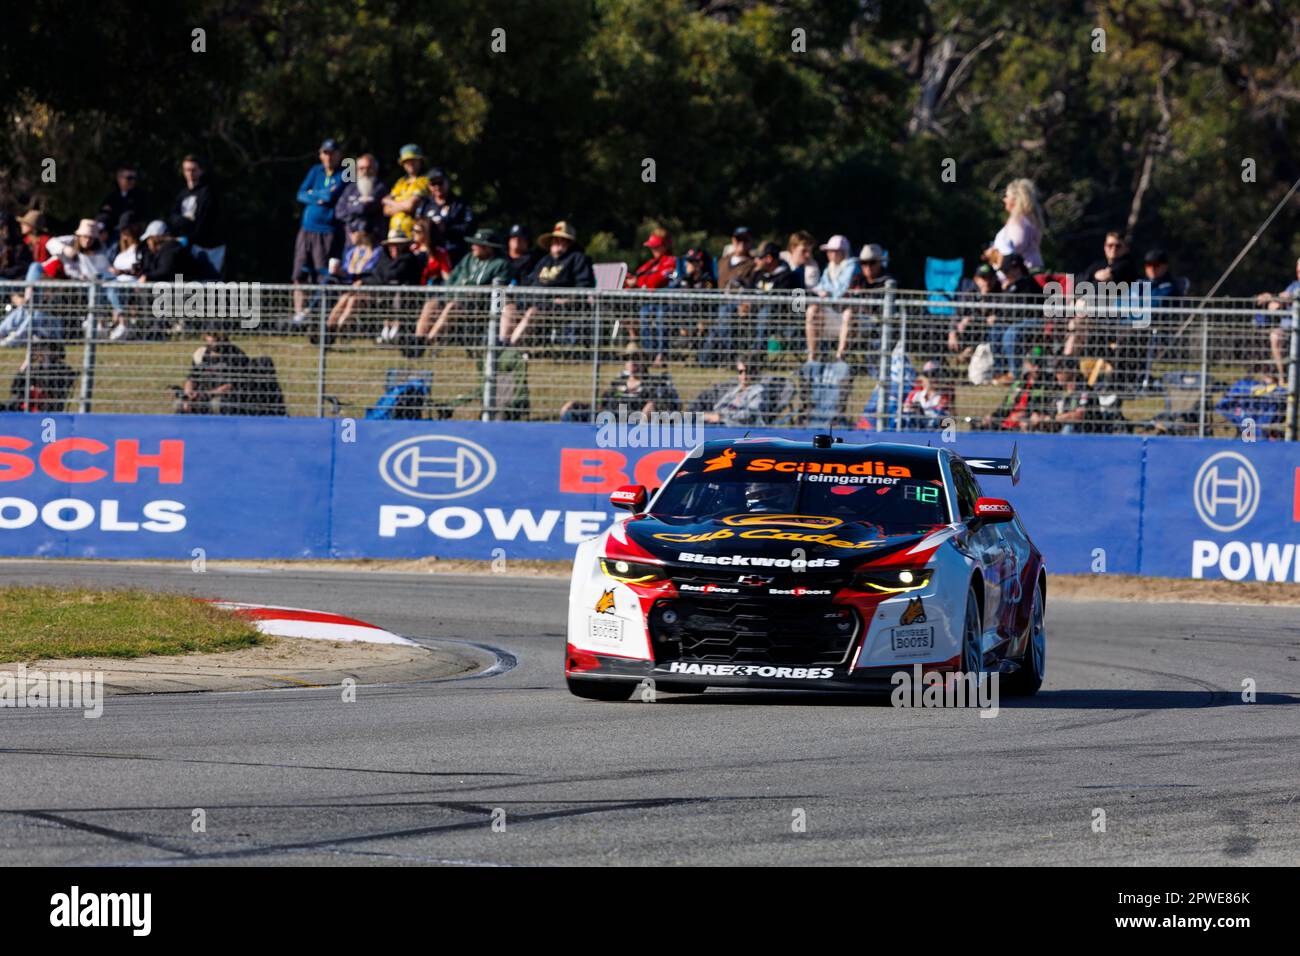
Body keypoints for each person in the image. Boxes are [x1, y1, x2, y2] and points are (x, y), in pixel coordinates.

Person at [498, 221, 595, 347]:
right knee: (508, 308)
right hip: (533, 301)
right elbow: (529, 282)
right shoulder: (545, 260)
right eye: (555, 240)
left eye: (562, 240)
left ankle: (509, 349)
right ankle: (500, 346)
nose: (557, 243)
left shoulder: (578, 259)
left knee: (533, 312)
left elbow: (585, 286)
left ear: (569, 243)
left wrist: (568, 299)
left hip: (561, 305)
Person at [413, 227, 509, 352]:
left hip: (477, 304)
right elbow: (451, 280)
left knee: (452, 306)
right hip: (453, 296)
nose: (473, 247)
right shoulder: (468, 259)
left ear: (488, 247)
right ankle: (417, 341)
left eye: (477, 244)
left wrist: (472, 290)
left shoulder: (500, 264)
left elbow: (499, 291)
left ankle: (428, 341)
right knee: (431, 304)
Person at [290, 138, 346, 324]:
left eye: (332, 153)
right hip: (306, 230)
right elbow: (300, 194)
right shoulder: (315, 171)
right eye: (325, 153)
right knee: (299, 274)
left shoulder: (345, 172)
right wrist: (318, 196)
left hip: (327, 232)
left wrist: (314, 194)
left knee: (322, 276)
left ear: (339, 155)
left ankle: (317, 317)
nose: (328, 157)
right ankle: (299, 316)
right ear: (320, 154)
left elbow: (331, 195)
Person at [804, 234, 860, 361]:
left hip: (849, 317)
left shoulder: (852, 266)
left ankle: (840, 358)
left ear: (843, 252)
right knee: (812, 310)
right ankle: (811, 358)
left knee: (848, 313)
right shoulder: (829, 268)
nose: (829, 254)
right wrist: (823, 291)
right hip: (831, 311)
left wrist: (826, 291)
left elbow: (841, 289)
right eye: (829, 251)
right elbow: (819, 287)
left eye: (833, 251)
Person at [625, 228, 677, 358]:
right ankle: (649, 353)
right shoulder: (650, 263)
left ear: (665, 246)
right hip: (649, 302)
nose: (653, 250)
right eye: (652, 247)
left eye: (657, 247)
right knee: (644, 315)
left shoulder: (671, 261)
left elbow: (658, 280)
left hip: (666, 303)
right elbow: (639, 275)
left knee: (660, 317)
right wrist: (636, 281)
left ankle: (661, 354)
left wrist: (639, 282)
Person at [993, 253, 1045, 383]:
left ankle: (1015, 374)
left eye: (1006, 271)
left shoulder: (1028, 284)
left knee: (1011, 334)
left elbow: (1022, 310)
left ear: (1016, 269)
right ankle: (1000, 372)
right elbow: (1004, 309)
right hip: (1014, 322)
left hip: (1034, 321)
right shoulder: (1009, 286)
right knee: (996, 331)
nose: (1004, 274)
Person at [367, 229, 424, 345]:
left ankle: (396, 328)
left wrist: (386, 278)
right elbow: (378, 275)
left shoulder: (409, 259)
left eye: (398, 245)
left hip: (407, 296)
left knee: (398, 296)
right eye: (391, 245)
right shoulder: (383, 259)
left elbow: (395, 274)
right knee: (381, 296)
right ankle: (385, 327)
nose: (394, 248)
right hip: (385, 294)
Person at [176, 329, 251, 414]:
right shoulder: (200, 353)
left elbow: (231, 385)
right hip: (202, 393)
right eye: (211, 334)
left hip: (223, 396)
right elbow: (191, 377)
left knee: (217, 404)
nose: (215, 338)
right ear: (205, 336)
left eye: (218, 334)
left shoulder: (236, 355)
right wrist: (188, 393)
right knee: (179, 404)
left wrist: (206, 395)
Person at [983, 178, 1044, 272]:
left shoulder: (1019, 221)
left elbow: (1015, 247)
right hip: (1030, 268)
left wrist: (993, 253)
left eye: (1007, 196)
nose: (1004, 199)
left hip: (1024, 272)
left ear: (1015, 200)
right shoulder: (1029, 219)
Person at [1254, 256, 1300, 379]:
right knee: (1270, 336)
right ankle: (1279, 376)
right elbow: (1275, 304)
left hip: (1296, 328)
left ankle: (1284, 377)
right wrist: (1270, 300)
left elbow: (1288, 297)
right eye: (1298, 271)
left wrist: (1274, 297)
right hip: (1287, 328)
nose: (1299, 274)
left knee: (1276, 337)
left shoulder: (1296, 289)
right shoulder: (1294, 285)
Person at [979, 351, 1049, 431]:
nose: (1037, 368)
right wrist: (993, 416)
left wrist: (1025, 415)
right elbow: (1006, 404)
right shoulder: (1019, 383)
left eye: (1039, 365)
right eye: (1033, 364)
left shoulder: (1045, 385)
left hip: (1027, 419)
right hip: (1010, 417)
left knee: (1024, 424)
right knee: (987, 422)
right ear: (1027, 364)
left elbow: (1042, 408)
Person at [417, 167, 474, 264]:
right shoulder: (425, 204)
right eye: (433, 184)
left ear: (447, 182)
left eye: (440, 183)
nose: (437, 187)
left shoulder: (460, 204)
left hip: (454, 253)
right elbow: (418, 225)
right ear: (429, 186)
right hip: (430, 254)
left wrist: (447, 228)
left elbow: (470, 227)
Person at [691, 354, 769, 426]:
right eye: (740, 372)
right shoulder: (736, 390)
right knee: (690, 418)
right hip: (723, 422)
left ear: (754, 372)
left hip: (737, 428)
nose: (744, 375)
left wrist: (722, 416)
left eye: (747, 371)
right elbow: (718, 406)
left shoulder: (758, 391)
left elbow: (748, 414)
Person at [168, 154, 223, 250]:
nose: (190, 173)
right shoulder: (182, 194)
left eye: (193, 170)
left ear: (200, 171)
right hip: (182, 241)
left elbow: (203, 222)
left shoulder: (207, 193)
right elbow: (173, 217)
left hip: (201, 246)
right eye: (187, 170)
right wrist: (185, 221)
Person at [4, 340, 76, 412]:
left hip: (46, 409)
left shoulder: (64, 370)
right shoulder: (36, 369)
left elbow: (54, 390)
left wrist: (47, 362)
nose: (39, 351)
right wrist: (26, 363)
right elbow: (15, 389)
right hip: (25, 406)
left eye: (44, 349)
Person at [948, 263, 1000, 361]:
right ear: (976, 279)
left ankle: (970, 351)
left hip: (989, 331)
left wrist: (984, 298)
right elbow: (957, 314)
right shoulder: (970, 293)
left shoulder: (1000, 294)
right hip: (972, 330)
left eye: (990, 278)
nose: (987, 282)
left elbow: (997, 316)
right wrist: (952, 333)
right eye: (984, 278)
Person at [381, 143, 431, 239]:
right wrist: (404, 204)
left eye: (413, 160)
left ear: (420, 161)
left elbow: (410, 206)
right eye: (406, 161)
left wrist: (391, 202)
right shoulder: (400, 182)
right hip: (394, 233)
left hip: (415, 234)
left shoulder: (423, 181)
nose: (410, 164)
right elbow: (386, 210)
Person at [334, 153, 389, 238]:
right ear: (356, 170)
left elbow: (365, 208)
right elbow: (339, 212)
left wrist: (351, 207)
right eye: (361, 168)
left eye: (369, 168)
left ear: (375, 169)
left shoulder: (380, 188)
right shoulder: (350, 188)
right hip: (351, 241)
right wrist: (359, 206)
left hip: (373, 240)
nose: (365, 171)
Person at [1031, 362, 1094, 433]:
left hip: (1082, 430)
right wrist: (1039, 417)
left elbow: (1079, 415)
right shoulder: (1057, 391)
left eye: (1060, 371)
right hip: (1058, 428)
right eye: (1056, 371)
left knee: (1068, 427)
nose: (1057, 374)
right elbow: (1050, 414)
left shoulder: (1084, 389)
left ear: (1071, 372)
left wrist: (1053, 418)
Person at [96, 165, 150, 239]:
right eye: (129, 178)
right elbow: (104, 211)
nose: (132, 181)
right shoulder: (112, 196)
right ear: (119, 179)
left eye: (134, 178)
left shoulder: (140, 195)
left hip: (131, 232)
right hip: (111, 231)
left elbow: (139, 213)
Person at [902, 363, 952, 430]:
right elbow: (906, 411)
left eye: (934, 375)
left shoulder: (943, 396)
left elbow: (940, 417)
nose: (931, 379)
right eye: (927, 376)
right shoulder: (915, 394)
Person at [0, 213, 33, 280]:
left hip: (14, 283)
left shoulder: (20, 246)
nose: (4, 230)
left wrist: (2, 272)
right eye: (1, 227)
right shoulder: (2, 245)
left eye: (8, 226)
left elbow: (22, 268)